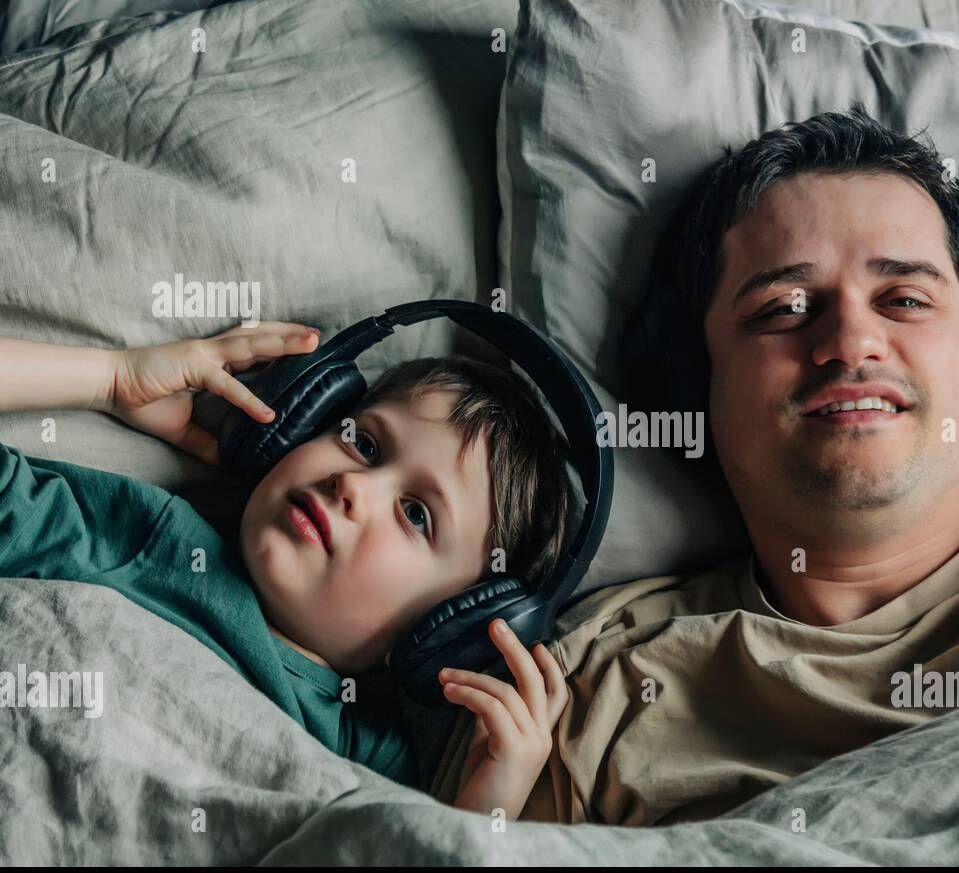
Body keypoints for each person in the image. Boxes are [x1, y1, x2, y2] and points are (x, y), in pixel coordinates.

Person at [433, 103, 959, 827]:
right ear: (698, 385)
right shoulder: (587, 690)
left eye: (905, 299)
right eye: (784, 307)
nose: (850, 340)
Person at [0, 324, 569, 819]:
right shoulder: (155, 541)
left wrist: (490, 805)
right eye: (364, 443)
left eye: (416, 514)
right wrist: (111, 378)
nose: (354, 485)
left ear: (446, 632)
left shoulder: (372, 760)